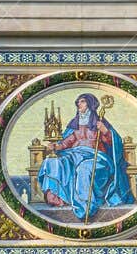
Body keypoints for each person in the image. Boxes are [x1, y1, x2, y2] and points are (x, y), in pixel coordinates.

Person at [36, 93, 131, 221]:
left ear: (90, 104)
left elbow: (114, 143)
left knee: (84, 169)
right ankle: (56, 196)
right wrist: (56, 147)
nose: (78, 104)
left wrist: (105, 131)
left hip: (97, 159)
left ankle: (85, 206)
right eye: (78, 102)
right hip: (75, 155)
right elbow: (67, 142)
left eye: (82, 102)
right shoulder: (75, 123)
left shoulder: (100, 123)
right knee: (52, 161)